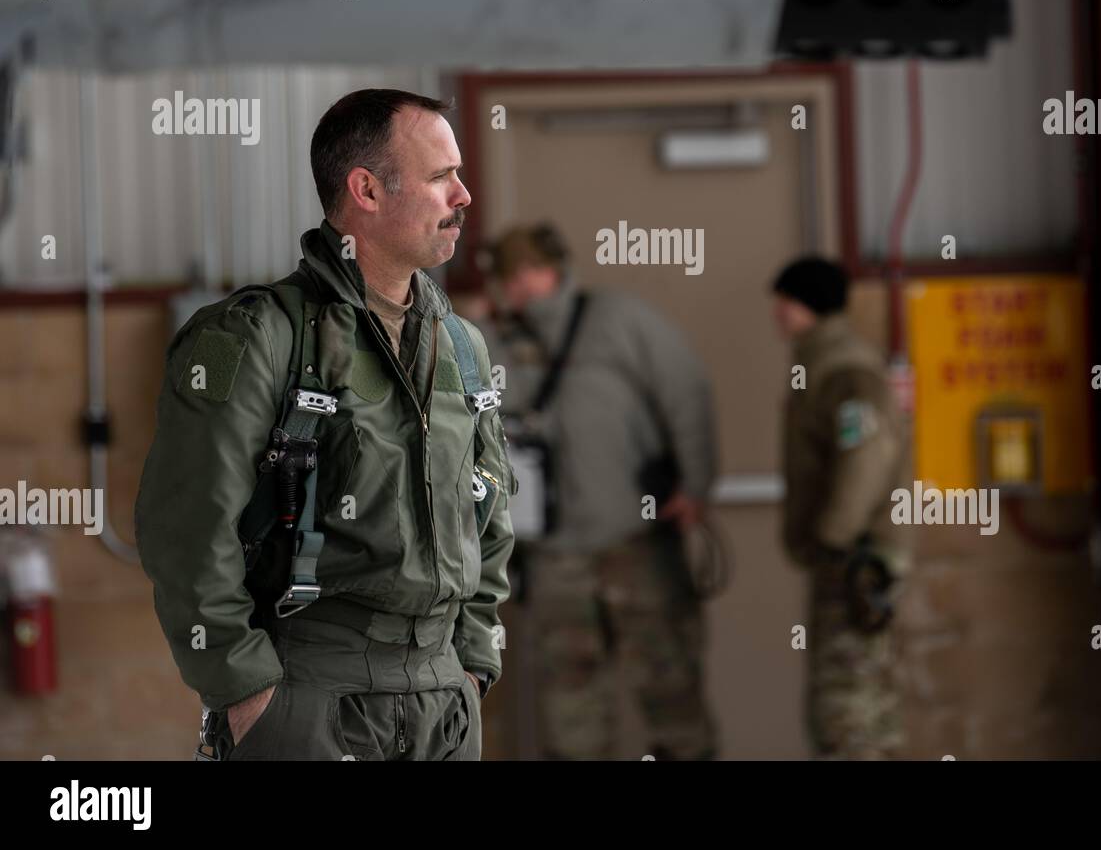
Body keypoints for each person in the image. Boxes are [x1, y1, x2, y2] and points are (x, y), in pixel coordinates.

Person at [135, 88, 514, 761]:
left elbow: (491, 518)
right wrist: (247, 691)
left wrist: (474, 663)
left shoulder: (461, 346)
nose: (464, 195)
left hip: (443, 702)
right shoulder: (249, 336)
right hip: (308, 695)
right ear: (365, 189)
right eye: (440, 177)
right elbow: (186, 529)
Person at [474, 224, 719, 760]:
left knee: (670, 687)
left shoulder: (618, 320)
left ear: (546, 271)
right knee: (571, 701)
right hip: (554, 556)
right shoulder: (488, 338)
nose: (515, 288)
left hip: (637, 543)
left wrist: (695, 486)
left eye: (521, 274)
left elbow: (685, 392)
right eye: (507, 278)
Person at [771, 256, 910, 760]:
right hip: (851, 557)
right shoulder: (821, 361)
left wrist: (833, 533)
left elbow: (867, 454)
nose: (778, 312)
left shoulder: (843, 367)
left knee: (846, 710)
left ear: (810, 304)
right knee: (866, 707)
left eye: (786, 300)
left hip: (856, 559)